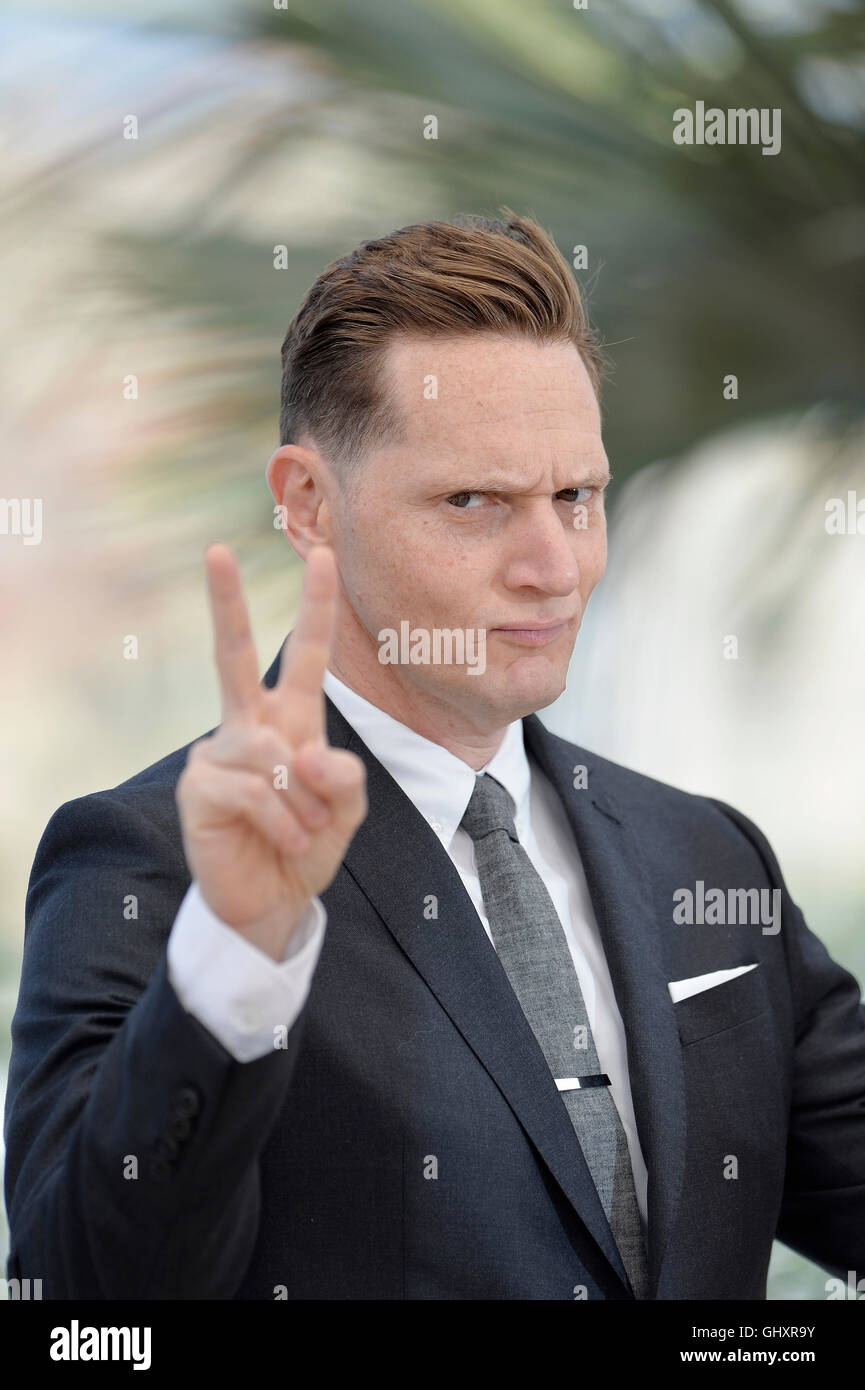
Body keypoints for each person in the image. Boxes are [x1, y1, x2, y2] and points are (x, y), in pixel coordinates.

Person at [5, 213, 864, 1300]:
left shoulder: (704, 852)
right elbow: (87, 1300)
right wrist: (234, 958)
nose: (553, 567)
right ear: (308, 504)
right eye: (475, 501)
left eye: (576, 498)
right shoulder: (148, 864)